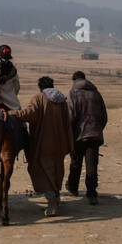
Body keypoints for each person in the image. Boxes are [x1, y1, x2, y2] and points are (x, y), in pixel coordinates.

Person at [16, 76, 74, 217]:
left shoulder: (39, 98)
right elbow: (68, 122)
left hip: (43, 143)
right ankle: (56, 197)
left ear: (40, 87)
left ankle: (52, 203)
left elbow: (29, 114)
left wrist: (13, 113)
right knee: (56, 170)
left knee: (42, 171)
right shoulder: (62, 100)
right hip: (60, 143)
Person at [67, 70, 108, 204]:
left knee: (76, 162)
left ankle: (73, 188)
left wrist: (70, 133)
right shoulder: (96, 93)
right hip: (94, 134)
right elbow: (104, 116)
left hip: (79, 135)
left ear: (74, 80)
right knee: (92, 165)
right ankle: (91, 194)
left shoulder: (73, 93)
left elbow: (71, 117)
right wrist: (97, 129)